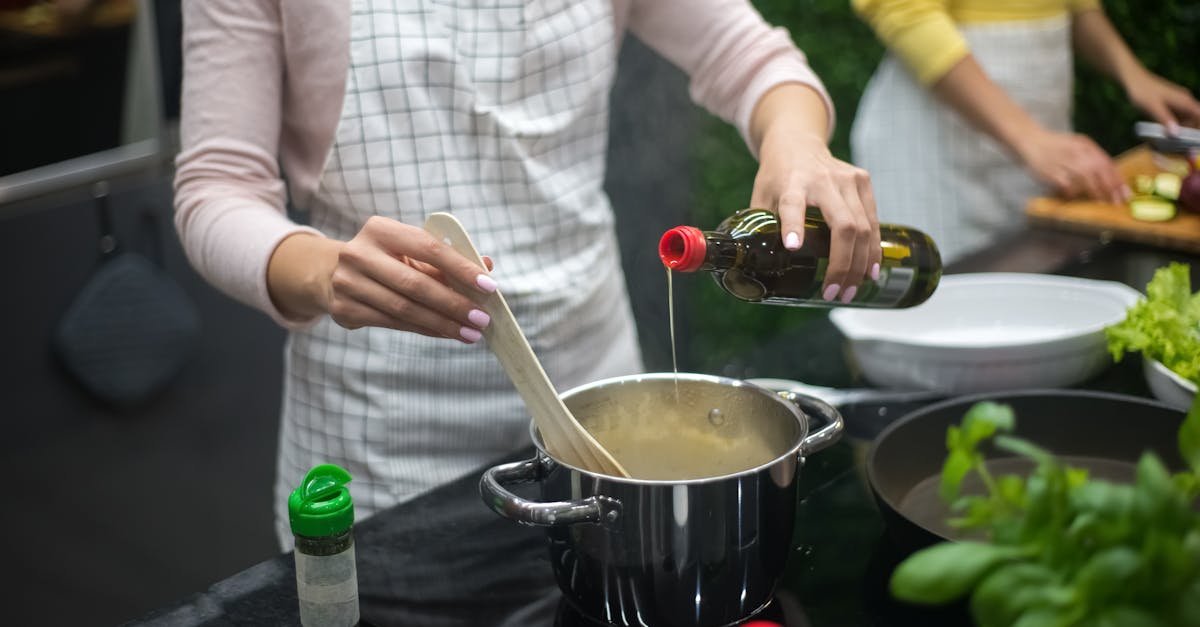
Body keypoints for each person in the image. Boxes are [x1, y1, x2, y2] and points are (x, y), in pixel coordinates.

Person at [174, 0, 882, 547]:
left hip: (598, 416)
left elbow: (750, 55)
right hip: (381, 442)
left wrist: (794, 141)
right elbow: (216, 187)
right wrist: (325, 269)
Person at [850, 0, 1200, 263]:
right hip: (935, 152)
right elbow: (901, 9)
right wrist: (1028, 138)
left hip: (1038, 143)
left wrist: (1134, 75)